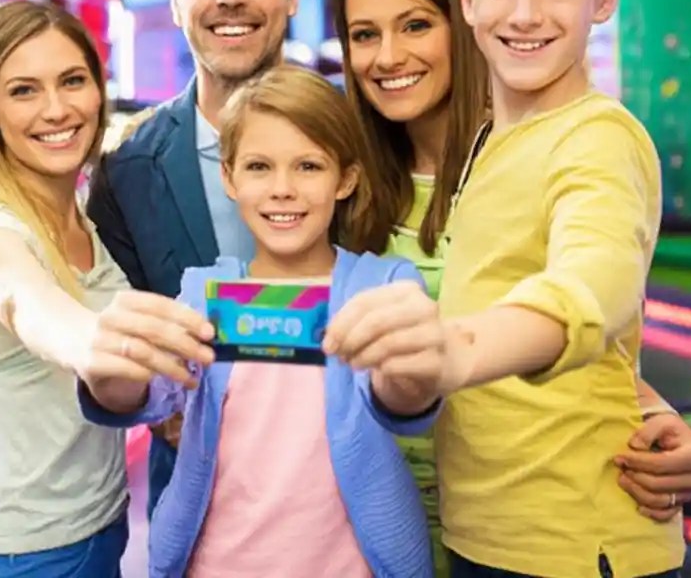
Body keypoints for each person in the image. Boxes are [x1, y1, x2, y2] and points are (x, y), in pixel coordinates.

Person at [325, 0, 688, 575]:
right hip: (481, 533)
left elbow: (595, 284)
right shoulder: (494, 142)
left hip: (571, 541)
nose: (524, 13)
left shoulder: (598, 138)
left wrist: (452, 351)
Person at [82, 64, 440, 578]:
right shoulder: (204, 294)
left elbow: (407, 400)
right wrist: (106, 366)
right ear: (229, 177)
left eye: (309, 167)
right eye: (258, 167)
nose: (283, 189)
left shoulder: (382, 287)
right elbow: (143, 395)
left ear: (347, 179)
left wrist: (412, 364)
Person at [0, 0, 216, 577]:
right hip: (19, 560)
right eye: (24, 91)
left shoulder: (84, 217)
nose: (56, 109)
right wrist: (91, 341)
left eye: (72, 81)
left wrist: (161, 408)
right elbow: (26, 302)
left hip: (100, 535)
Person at [86, 0, 301, 519]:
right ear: (175, 0)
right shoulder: (127, 171)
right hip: (201, 509)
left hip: (346, 507)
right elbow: (113, 348)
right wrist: (160, 404)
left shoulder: (362, 142)